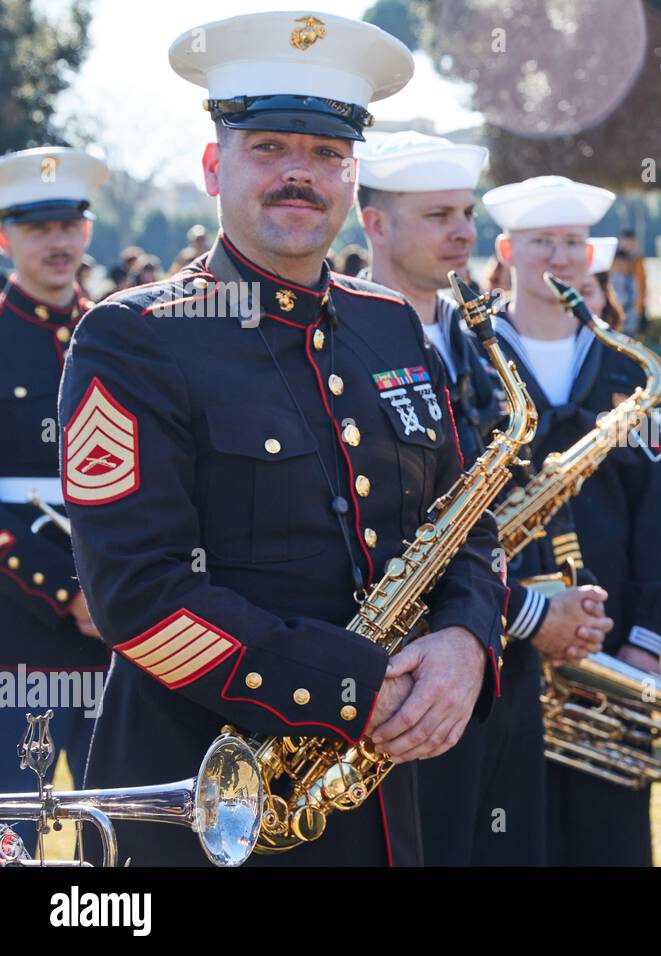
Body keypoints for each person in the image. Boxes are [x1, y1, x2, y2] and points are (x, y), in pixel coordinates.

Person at [59, 10, 505, 867]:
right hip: (202, 801)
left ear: (352, 176)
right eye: (268, 147)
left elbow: (466, 524)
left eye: (328, 154)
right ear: (213, 165)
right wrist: (356, 688)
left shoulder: (390, 325)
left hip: (377, 799)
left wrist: (464, 642)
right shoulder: (133, 336)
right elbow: (137, 593)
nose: (300, 174)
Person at [357, 131, 610, 865]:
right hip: (409, 679)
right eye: (438, 215)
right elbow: (396, 540)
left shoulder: (479, 341)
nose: (463, 232)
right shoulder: (342, 346)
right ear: (376, 224)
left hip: (504, 665)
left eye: (466, 213)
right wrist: (536, 613)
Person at [483, 175, 661, 866]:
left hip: (611, 655)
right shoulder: (469, 359)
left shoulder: (630, 370)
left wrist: (643, 641)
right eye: (544, 241)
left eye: (573, 242)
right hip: (499, 652)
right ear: (509, 250)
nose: (562, 256)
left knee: (613, 841)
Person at [0, 147, 111, 849]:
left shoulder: (120, 335)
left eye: (69, 224)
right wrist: (66, 591)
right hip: (20, 635)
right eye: (38, 227)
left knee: (124, 825)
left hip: (121, 630)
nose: (58, 242)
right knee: (16, 830)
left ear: (88, 233)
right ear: (5, 237)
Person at [615, 228, 646, 334]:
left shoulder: (637, 260)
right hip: (618, 308)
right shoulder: (615, 260)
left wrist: (640, 307)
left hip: (633, 309)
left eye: (632, 242)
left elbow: (642, 285)